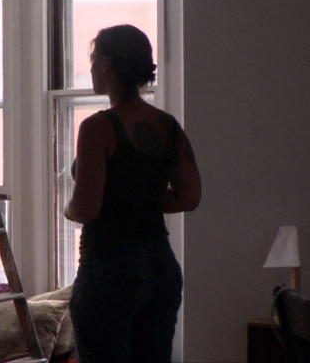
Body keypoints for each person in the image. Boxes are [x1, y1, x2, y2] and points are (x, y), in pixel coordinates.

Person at [64, 24, 201, 363]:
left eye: (94, 60)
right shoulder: (168, 126)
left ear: (107, 64)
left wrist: (68, 208)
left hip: (110, 270)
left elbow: (86, 209)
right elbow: (189, 197)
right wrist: (143, 198)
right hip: (161, 268)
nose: (91, 68)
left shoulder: (97, 127)